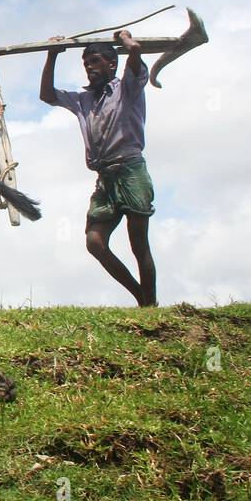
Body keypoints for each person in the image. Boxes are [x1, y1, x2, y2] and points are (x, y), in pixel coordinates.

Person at [40, 29, 156, 305]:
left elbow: (136, 55)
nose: (89, 67)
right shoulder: (84, 100)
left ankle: (150, 303)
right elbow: (47, 95)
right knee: (95, 242)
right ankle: (142, 298)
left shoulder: (127, 88)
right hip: (105, 177)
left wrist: (128, 41)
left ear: (111, 64)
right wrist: (52, 56)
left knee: (138, 243)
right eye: (86, 63)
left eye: (94, 61)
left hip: (130, 171)